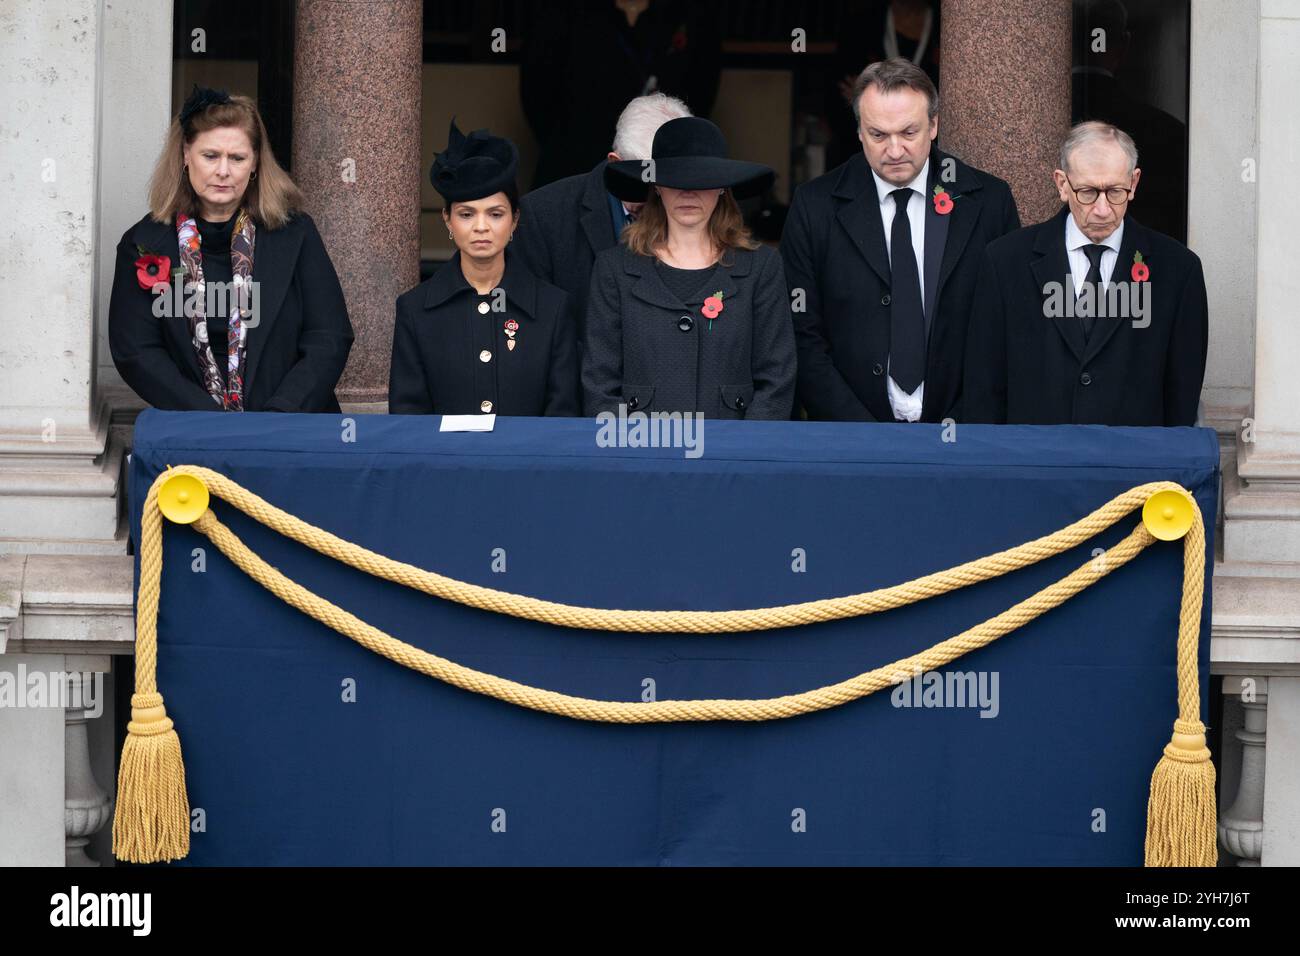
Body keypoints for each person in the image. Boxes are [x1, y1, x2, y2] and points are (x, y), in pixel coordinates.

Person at [781, 58, 1020, 423]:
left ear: (934, 125)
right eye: (878, 135)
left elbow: (1004, 332)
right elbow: (801, 334)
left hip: (962, 436)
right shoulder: (815, 206)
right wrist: (861, 434)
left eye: (909, 133)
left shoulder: (988, 202)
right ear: (859, 130)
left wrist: (962, 424)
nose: (894, 151)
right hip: (850, 441)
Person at [109, 85, 353, 412]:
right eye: (210, 156)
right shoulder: (144, 243)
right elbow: (137, 351)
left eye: (237, 158)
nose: (223, 171)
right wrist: (210, 420)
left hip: (289, 426)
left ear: (254, 164)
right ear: (185, 155)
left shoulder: (296, 234)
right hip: (193, 431)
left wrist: (280, 413)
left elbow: (329, 337)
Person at [963, 122, 1207, 426]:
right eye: (1088, 192)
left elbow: (1181, 400)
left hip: (1135, 468)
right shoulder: (1004, 262)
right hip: (1034, 464)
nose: (1103, 209)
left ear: (1134, 183)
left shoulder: (1179, 270)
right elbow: (983, 387)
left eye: (1115, 191)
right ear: (1062, 185)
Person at [583, 116, 795, 419]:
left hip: (732, 455)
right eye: (676, 179)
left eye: (702, 180)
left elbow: (777, 377)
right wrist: (631, 455)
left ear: (723, 187)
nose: (688, 193)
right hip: (642, 453)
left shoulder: (762, 268)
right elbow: (599, 383)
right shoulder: (614, 268)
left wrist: (744, 452)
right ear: (655, 186)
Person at [388, 121, 579, 417]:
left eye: (495, 214)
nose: (481, 227)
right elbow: (408, 417)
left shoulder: (553, 308)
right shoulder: (415, 310)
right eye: (466, 214)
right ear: (448, 220)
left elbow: (563, 415)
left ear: (514, 220)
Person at [514, 93, 691, 349]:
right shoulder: (543, 216)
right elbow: (535, 336)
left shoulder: (701, 208)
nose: (660, 195)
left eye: (670, 181)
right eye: (646, 183)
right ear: (615, 164)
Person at [520, 0, 721, 187]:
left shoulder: (691, 12)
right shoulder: (561, 10)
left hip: (662, 167)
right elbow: (537, 93)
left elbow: (701, 91)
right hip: (574, 161)